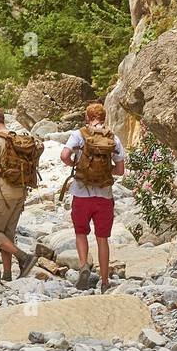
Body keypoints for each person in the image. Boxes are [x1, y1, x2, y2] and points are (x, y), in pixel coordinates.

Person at [60, 102, 126, 293]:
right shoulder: (113, 138)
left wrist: (77, 166)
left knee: (81, 233)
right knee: (102, 238)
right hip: (104, 196)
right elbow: (120, 171)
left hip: (81, 193)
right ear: (104, 119)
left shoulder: (79, 134)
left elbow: (64, 155)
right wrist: (105, 171)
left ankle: (83, 268)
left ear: (87, 118)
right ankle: (104, 282)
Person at [0, 106, 40, 281]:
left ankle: (24, 257)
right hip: (20, 193)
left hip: (3, 195)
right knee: (6, 235)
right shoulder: (17, 138)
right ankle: (7, 275)